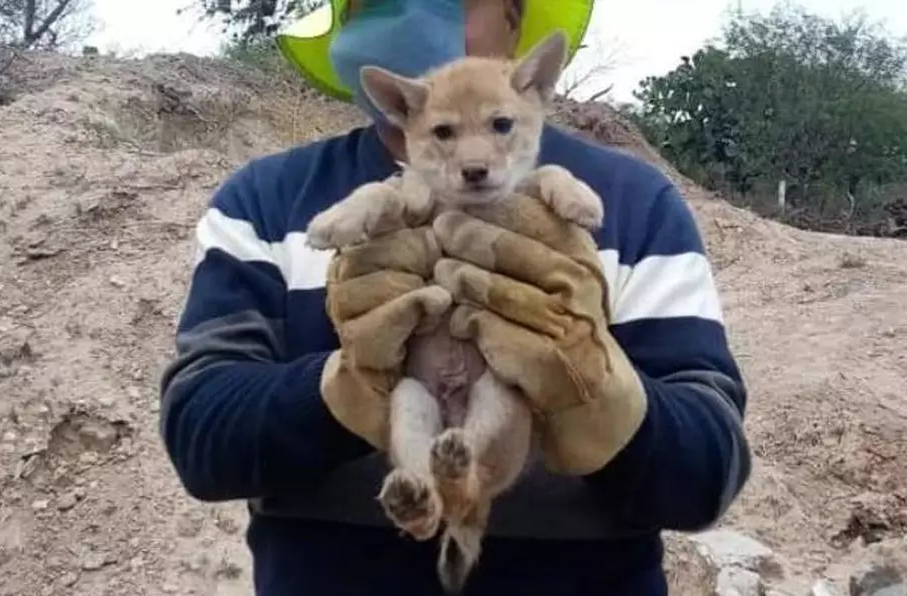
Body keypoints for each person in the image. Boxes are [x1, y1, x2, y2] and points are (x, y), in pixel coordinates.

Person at [157, 0, 753, 594]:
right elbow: (199, 437)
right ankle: (422, 492)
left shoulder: (634, 204)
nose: (413, 13)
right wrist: (342, 390)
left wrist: (597, 392)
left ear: (515, 22)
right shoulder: (264, 201)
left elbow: (709, 473)